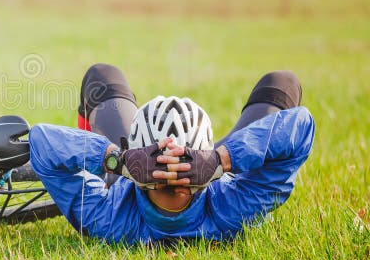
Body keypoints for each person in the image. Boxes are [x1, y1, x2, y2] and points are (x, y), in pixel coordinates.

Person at [28, 65, 315, 244]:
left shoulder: (108, 219)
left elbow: (41, 140)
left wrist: (117, 161)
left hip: (125, 174)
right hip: (216, 171)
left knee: (102, 76)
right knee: (281, 82)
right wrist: (221, 160)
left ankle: (102, 172)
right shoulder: (233, 210)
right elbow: (301, 126)